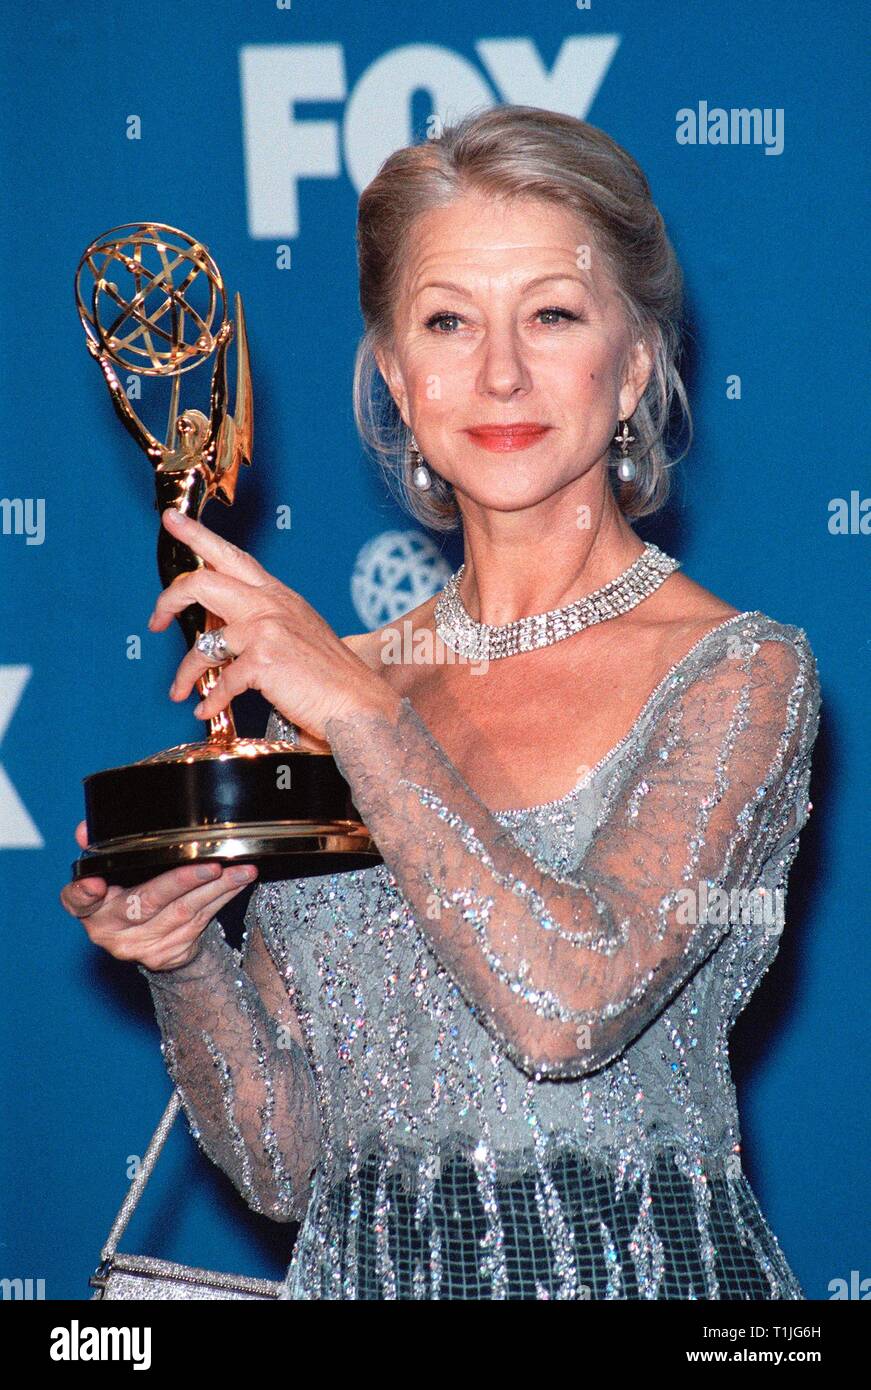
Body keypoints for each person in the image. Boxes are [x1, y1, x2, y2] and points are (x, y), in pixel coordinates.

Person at [61, 106, 821, 1300]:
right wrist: (180, 960)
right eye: (449, 321)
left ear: (632, 364)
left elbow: (568, 1007)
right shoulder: (321, 688)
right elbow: (292, 1164)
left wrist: (367, 719)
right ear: (398, 378)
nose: (500, 372)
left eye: (553, 315)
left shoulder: (738, 672)